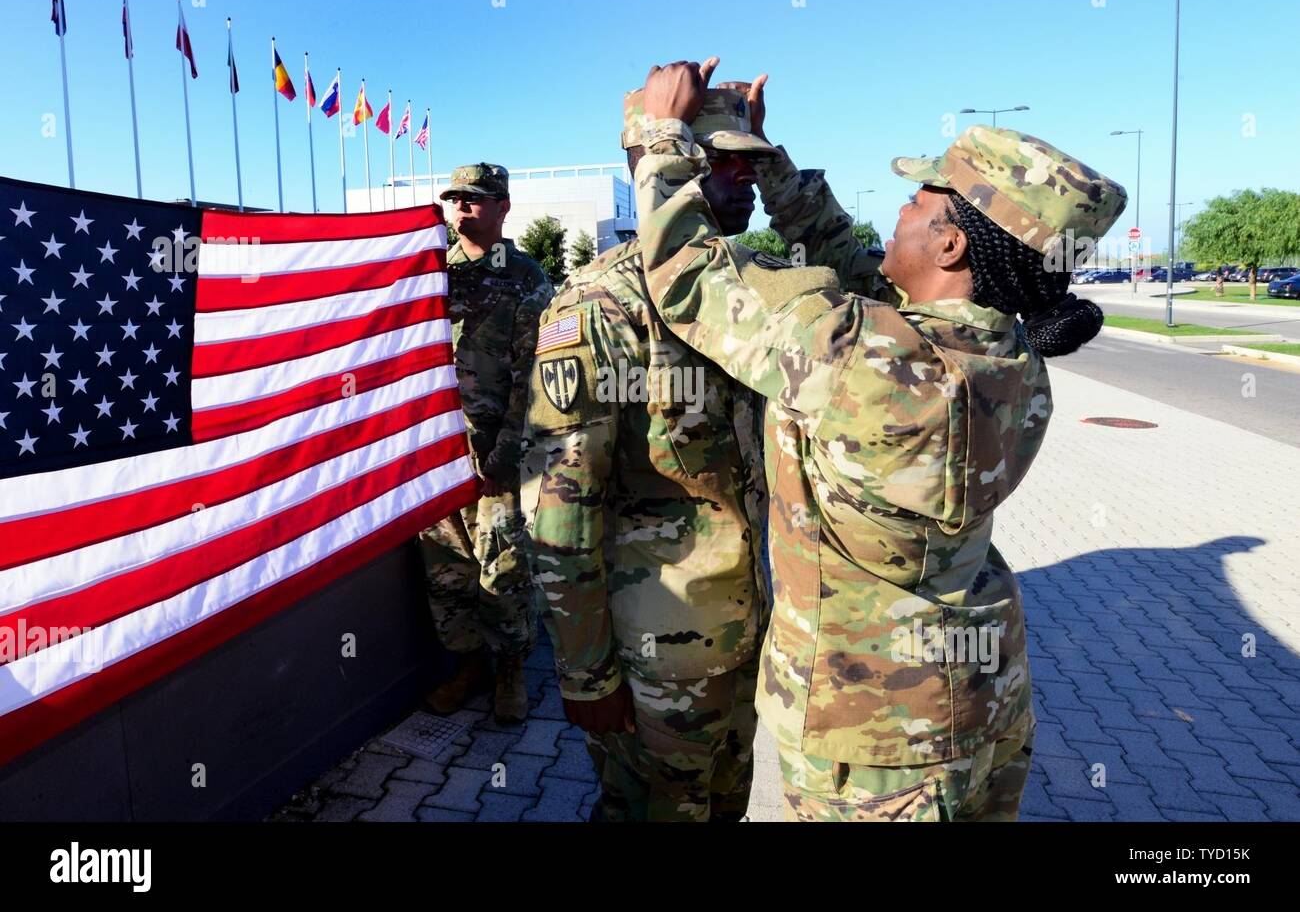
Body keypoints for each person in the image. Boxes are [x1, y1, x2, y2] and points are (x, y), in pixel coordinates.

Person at [633, 59, 1127, 821]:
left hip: (874, 747)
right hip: (981, 707)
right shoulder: (1009, 356)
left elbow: (687, 276)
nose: (896, 211)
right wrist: (770, 162)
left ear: (953, 245)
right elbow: (855, 263)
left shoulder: (859, 355)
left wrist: (662, 134)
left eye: (914, 198)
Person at [519, 87, 774, 821]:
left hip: (739, 641)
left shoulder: (739, 291)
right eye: (723, 164)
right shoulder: (601, 302)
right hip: (652, 657)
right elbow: (559, 505)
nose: (744, 179)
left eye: (750, 165)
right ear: (667, 165)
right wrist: (586, 673)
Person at [419, 163, 554, 724]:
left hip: (497, 452)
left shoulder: (525, 277)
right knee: (445, 569)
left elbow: (535, 372)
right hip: (434, 452)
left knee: (502, 567)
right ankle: (468, 664)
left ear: (503, 206)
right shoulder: (427, 273)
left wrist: (503, 452)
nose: (461, 207)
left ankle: (509, 672)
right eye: (453, 199)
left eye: (475, 199)